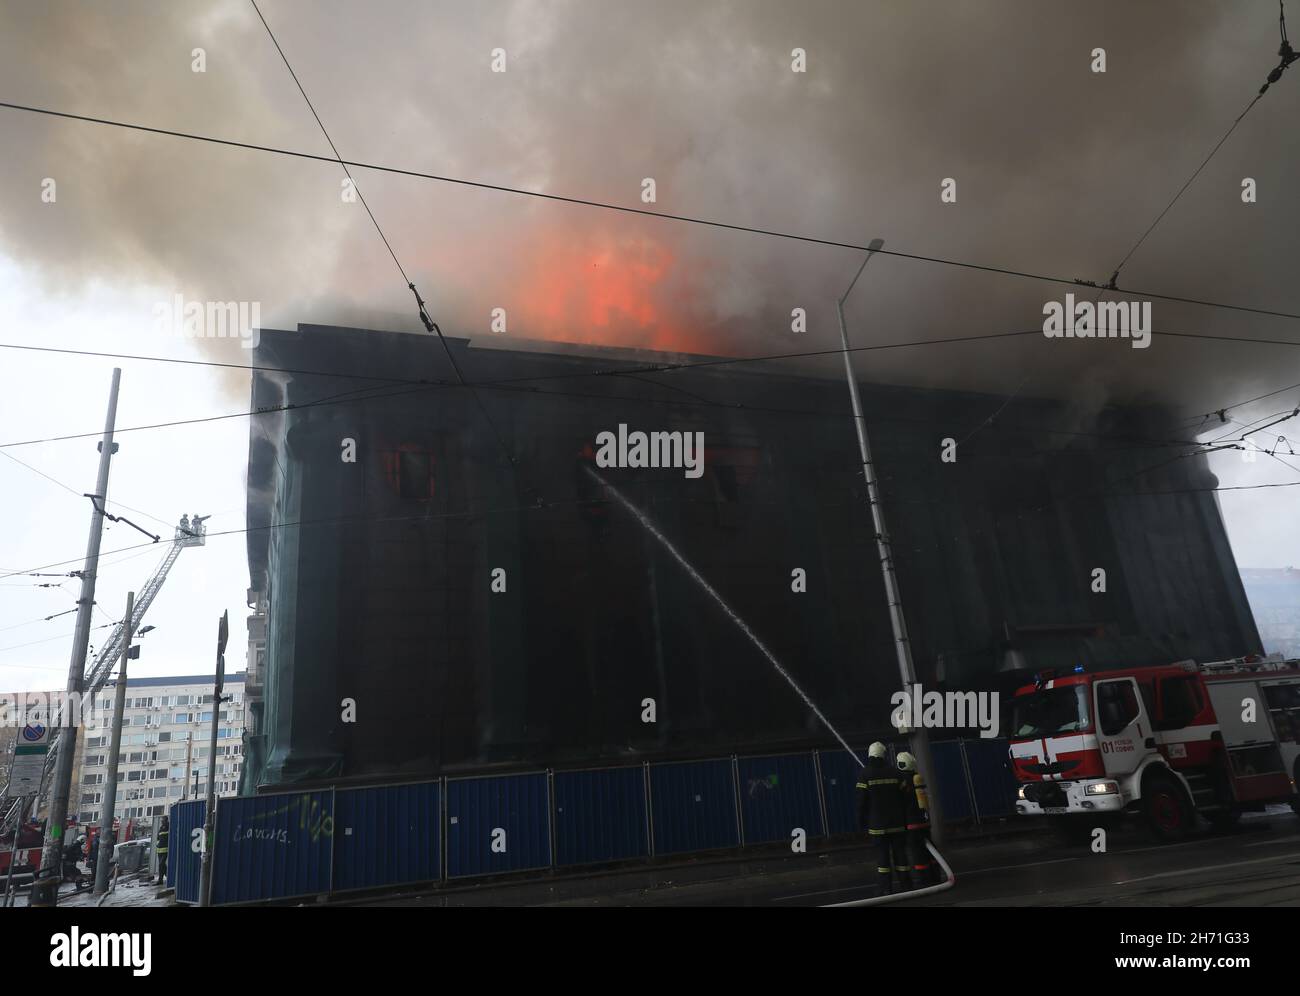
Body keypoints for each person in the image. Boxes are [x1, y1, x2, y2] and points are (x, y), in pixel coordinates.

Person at [856, 741, 909, 895]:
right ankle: (906, 886)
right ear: (884, 755)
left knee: (882, 858)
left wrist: (861, 822)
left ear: (870, 754)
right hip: (898, 824)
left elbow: (861, 801)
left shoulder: (865, 774)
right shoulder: (895, 772)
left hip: (878, 826)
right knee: (901, 855)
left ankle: (886, 889)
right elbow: (906, 796)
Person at [897, 751, 934, 887]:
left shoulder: (902, 782)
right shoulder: (917, 778)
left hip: (912, 824)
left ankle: (924, 880)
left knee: (917, 853)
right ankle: (934, 875)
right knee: (929, 850)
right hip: (924, 822)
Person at [155, 816, 169, 884]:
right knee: (162, 865)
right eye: (161, 820)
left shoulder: (169, 827)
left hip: (166, 850)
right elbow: (158, 838)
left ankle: (161, 879)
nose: (161, 821)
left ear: (166, 820)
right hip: (159, 850)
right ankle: (167, 876)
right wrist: (157, 844)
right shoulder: (160, 828)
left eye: (163, 820)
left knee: (161, 864)